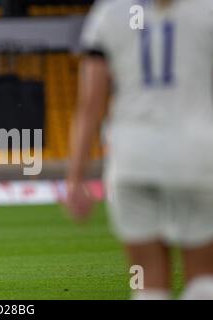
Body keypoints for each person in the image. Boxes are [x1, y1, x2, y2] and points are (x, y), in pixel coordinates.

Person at [64, 0, 213, 299]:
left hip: (133, 158)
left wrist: (76, 177)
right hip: (196, 156)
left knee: (147, 284)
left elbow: (91, 103)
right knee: (202, 280)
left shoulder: (110, 11)